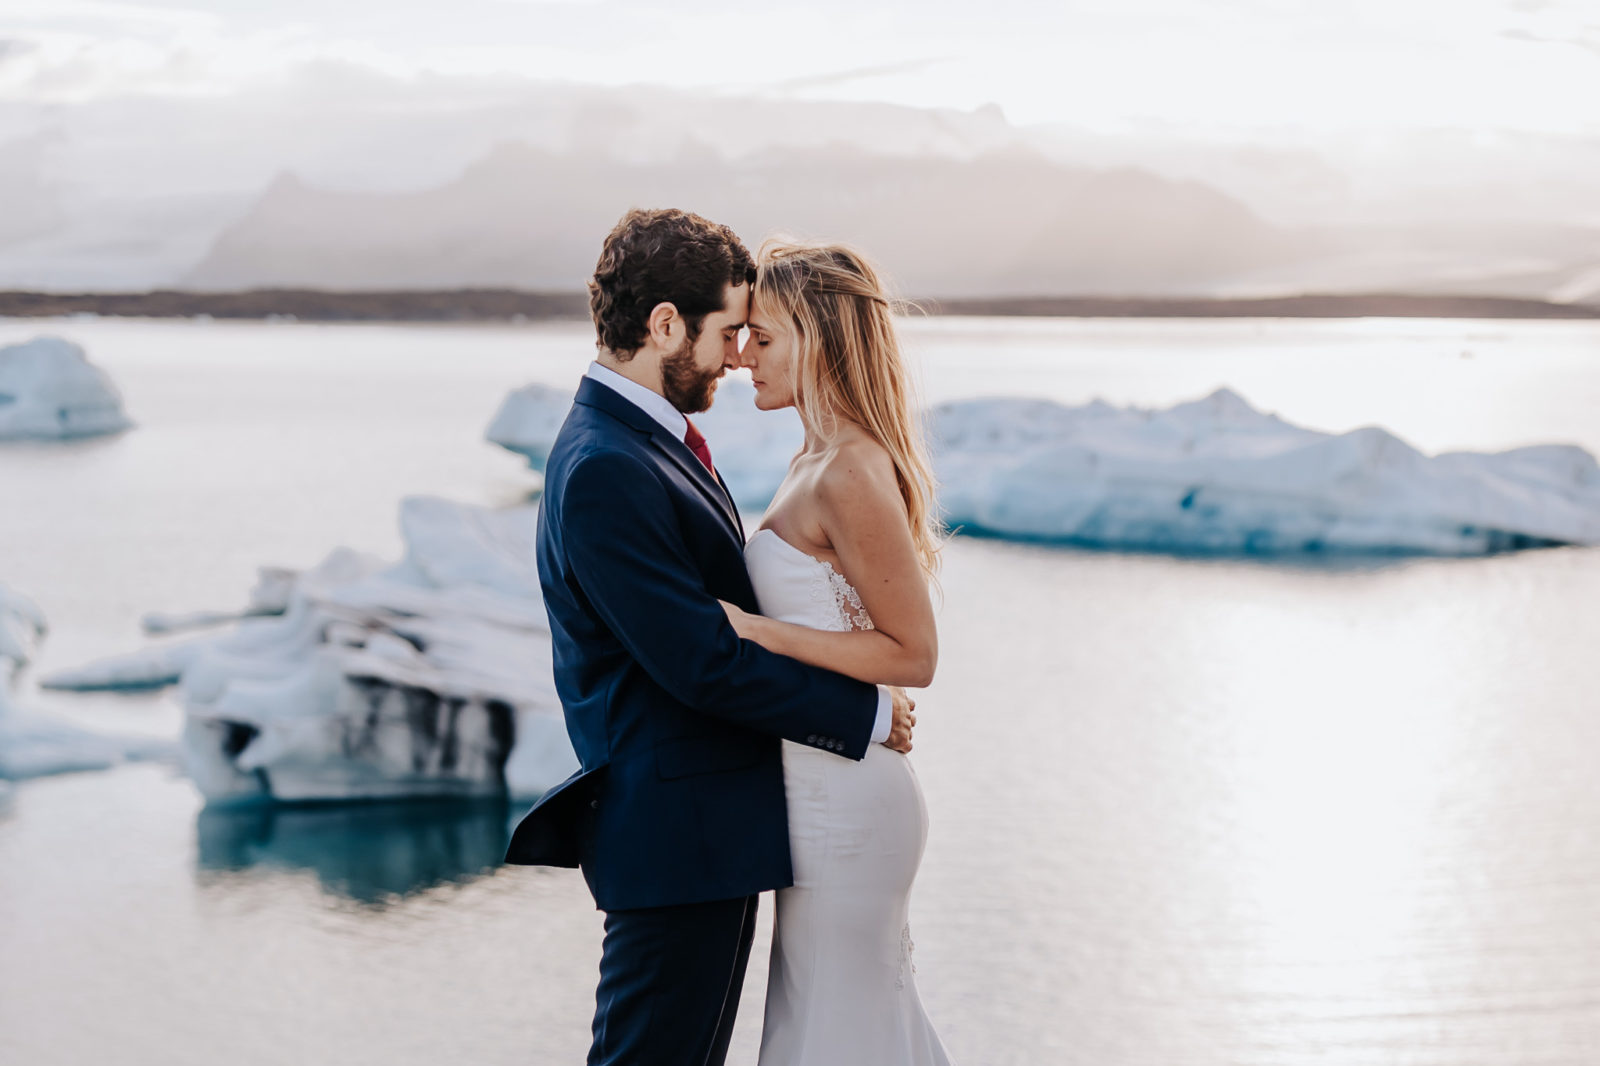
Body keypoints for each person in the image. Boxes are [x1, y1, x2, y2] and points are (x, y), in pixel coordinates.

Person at [503, 207, 915, 1066]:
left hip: (715, 834)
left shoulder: (647, 443)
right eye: (730, 331)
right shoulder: (608, 465)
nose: (738, 354)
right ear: (663, 326)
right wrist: (863, 713)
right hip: (675, 838)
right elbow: (700, 662)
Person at [720, 239, 953, 1065]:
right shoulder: (806, 459)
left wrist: (754, 633)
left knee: (833, 1029)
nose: (744, 357)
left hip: (848, 803)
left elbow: (912, 651)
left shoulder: (850, 468)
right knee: (823, 1024)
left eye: (765, 338)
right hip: (815, 784)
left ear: (818, 338)